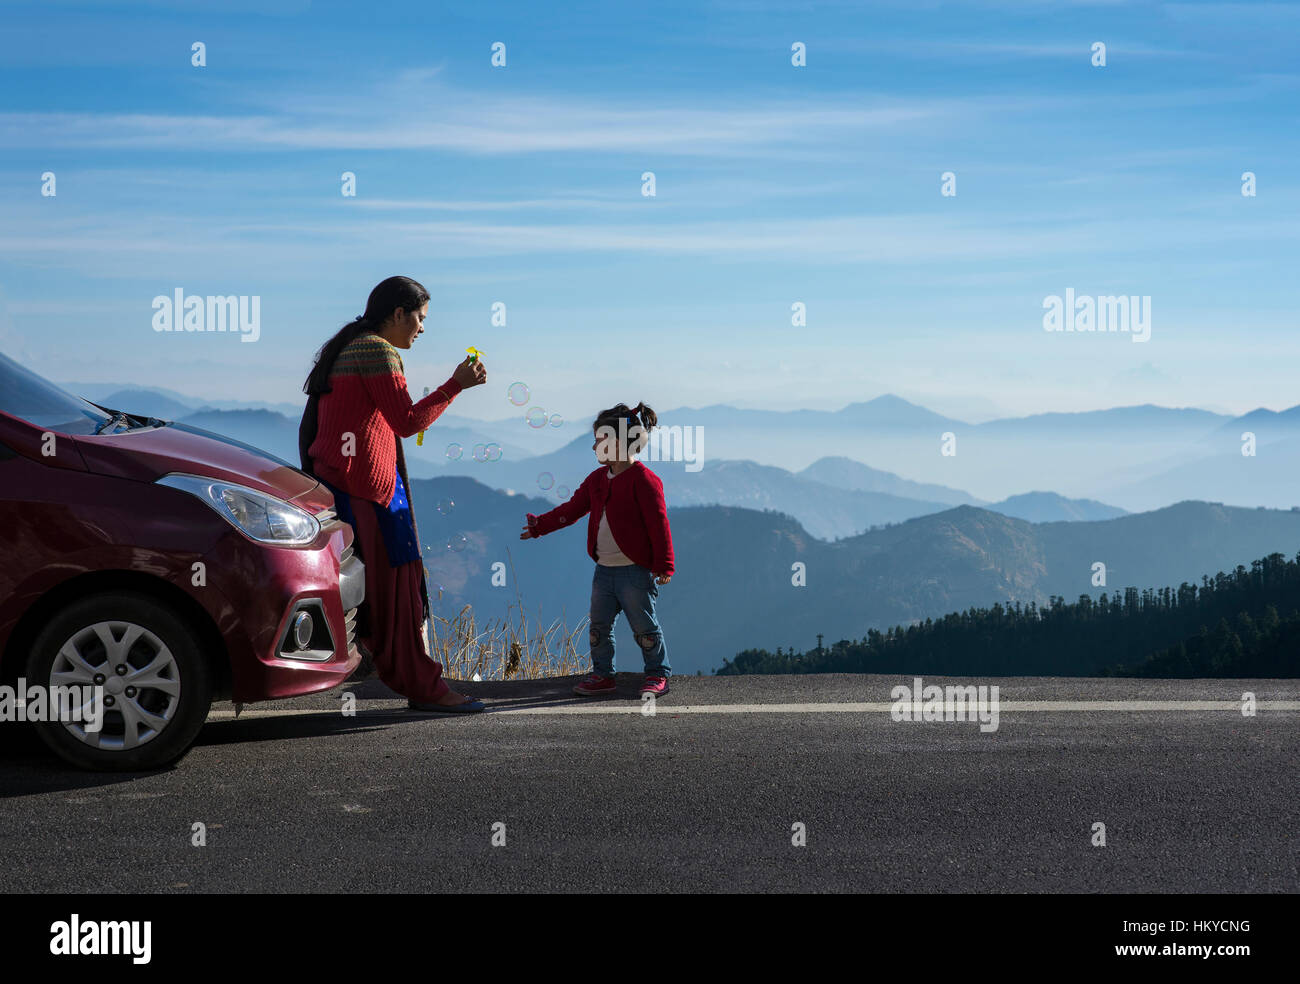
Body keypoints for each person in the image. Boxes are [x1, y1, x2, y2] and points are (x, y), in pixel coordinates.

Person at [298, 276, 487, 712]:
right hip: (371, 493)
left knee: (384, 592)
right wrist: (455, 384)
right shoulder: (375, 350)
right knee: (397, 594)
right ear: (398, 313)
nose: (421, 329)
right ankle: (423, 686)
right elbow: (406, 421)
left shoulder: (349, 346)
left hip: (350, 486)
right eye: (419, 319)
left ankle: (405, 674)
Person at [519, 402, 675, 696]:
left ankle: (658, 673)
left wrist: (665, 566)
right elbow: (572, 509)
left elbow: (659, 525)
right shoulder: (596, 481)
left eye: (599, 440)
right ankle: (603, 675)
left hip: (635, 573)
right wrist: (540, 526)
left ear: (618, 442)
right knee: (598, 628)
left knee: (644, 627)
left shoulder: (645, 481)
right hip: (604, 571)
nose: (594, 447)